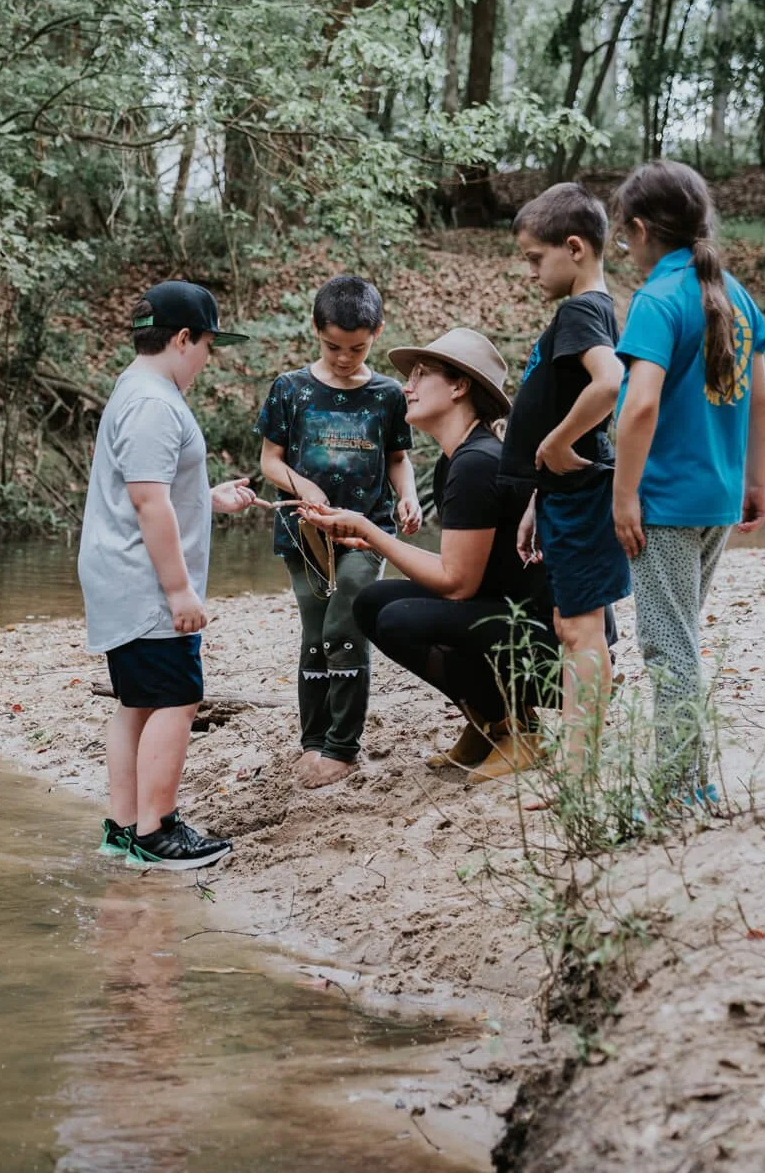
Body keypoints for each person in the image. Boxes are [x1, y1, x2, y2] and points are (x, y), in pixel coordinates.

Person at [301, 329, 557, 784]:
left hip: (548, 651)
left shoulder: (477, 463)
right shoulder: (457, 459)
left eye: (421, 374)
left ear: (459, 386)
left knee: (401, 620)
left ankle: (521, 728)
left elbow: (457, 584)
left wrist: (368, 530)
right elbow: (466, 575)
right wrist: (373, 539)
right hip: (507, 620)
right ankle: (487, 721)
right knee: (373, 603)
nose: (406, 386)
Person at [610, 161, 765, 805]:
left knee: (668, 645)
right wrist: (756, 482)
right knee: (681, 635)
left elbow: (640, 405)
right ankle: (688, 781)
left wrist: (625, 495)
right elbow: (764, 402)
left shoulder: (656, 299)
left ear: (643, 230)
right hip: (716, 498)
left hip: (665, 503)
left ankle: (684, 787)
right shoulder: (735, 293)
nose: (626, 249)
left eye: (625, 238)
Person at [79, 280, 259, 870]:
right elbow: (149, 503)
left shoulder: (134, 390)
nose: (208, 359)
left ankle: (125, 828)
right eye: (208, 344)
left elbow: (155, 492)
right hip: (145, 581)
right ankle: (157, 833)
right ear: (183, 338)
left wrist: (206, 498)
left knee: (137, 701)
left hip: (120, 571)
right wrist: (181, 592)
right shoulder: (156, 402)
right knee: (179, 698)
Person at [256, 275, 419, 789]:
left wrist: (408, 495)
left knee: (344, 629)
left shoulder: (388, 394)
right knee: (313, 636)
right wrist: (300, 483)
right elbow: (270, 462)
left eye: (357, 347)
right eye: (333, 347)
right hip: (302, 533)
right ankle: (314, 741)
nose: (345, 357)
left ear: (377, 333)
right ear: (315, 331)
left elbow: (398, 460)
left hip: (364, 534)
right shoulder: (290, 389)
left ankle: (343, 748)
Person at [501, 182, 628, 781]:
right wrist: (536, 495)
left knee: (580, 635)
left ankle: (578, 774)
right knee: (572, 626)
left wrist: (553, 444)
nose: (530, 271)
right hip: (563, 492)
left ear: (573, 247)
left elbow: (609, 383)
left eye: (534, 257)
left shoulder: (580, 310)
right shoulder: (597, 308)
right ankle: (578, 764)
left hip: (579, 490)